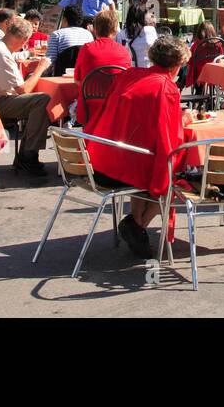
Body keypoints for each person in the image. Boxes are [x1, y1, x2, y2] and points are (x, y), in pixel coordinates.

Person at [83, 36, 199, 258]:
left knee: (147, 165)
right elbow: (168, 138)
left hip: (98, 161)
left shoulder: (128, 75)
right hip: (122, 169)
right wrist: (184, 120)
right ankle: (137, 226)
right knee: (173, 178)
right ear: (177, 65)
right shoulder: (166, 87)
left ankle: (136, 225)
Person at [0, 17, 53, 177]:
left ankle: (26, 155)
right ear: (23, 39)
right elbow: (23, 90)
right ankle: (28, 157)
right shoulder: (1, 53)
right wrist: (40, 69)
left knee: (36, 104)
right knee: (41, 100)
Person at [72, 7, 133, 88]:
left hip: (89, 99)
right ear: (115, 30)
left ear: (95, 29)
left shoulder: (86, 49)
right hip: (114, 99)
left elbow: (77, 79)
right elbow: (126, 81)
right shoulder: (124, 51)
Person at [46, 5, 93, 73]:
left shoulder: (57, 34)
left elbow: (49, 61)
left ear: (65, 19)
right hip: (83, 77)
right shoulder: (88, 35)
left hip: (60, 77)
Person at [119, 3, 158, 68]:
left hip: (128, 70)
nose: (151, 15)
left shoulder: (122, 33)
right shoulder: (149, 30)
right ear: (142, 17)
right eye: (147, 13)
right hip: (147, 71)